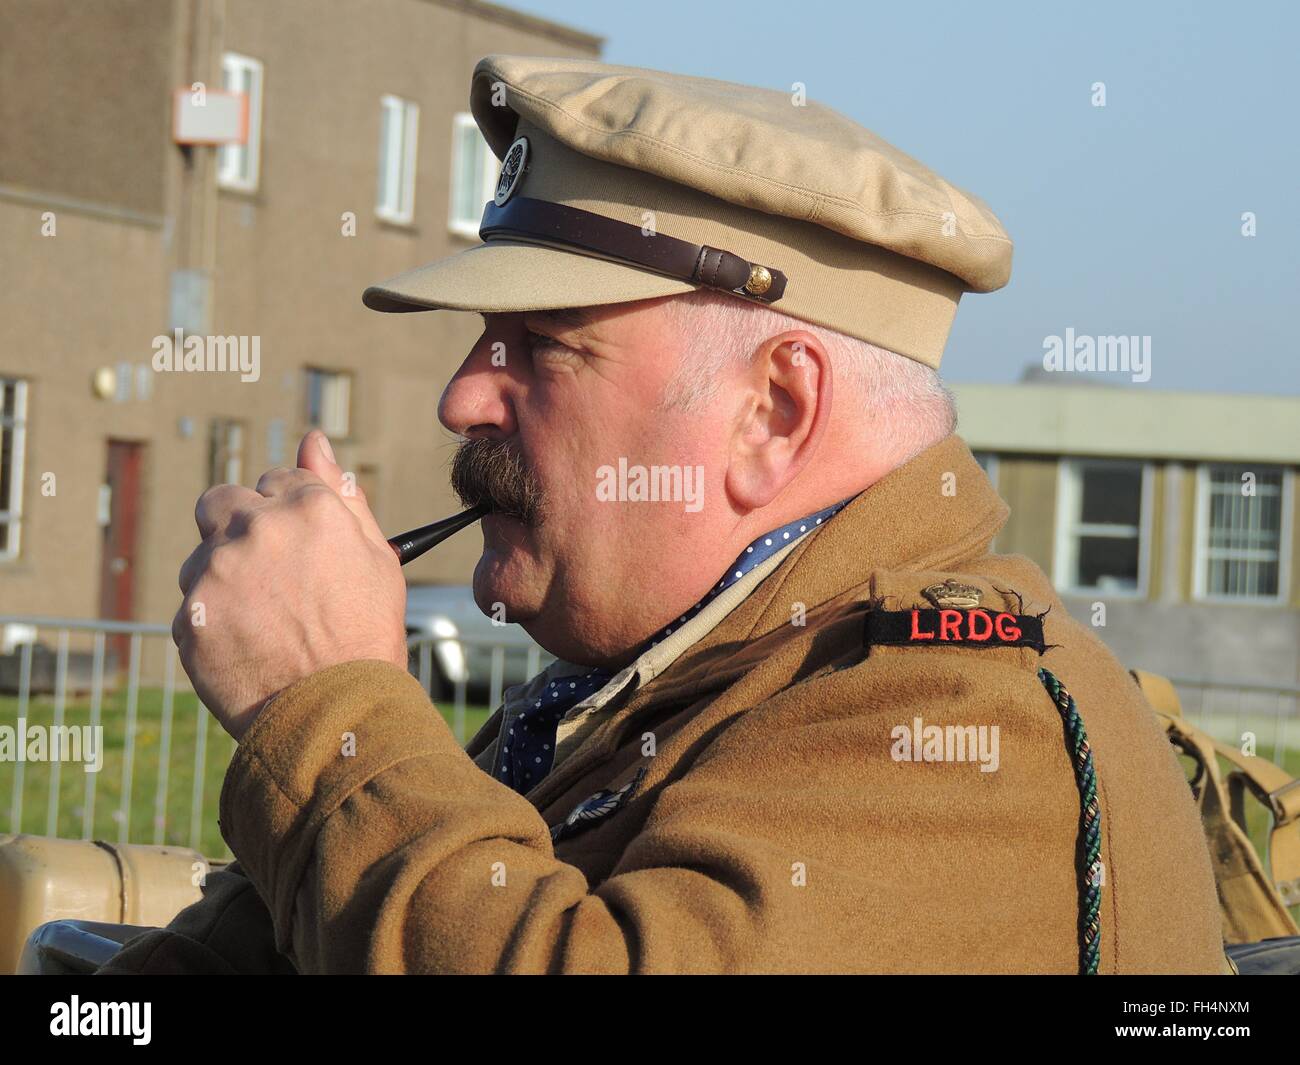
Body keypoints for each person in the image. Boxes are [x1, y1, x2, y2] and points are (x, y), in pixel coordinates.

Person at [100, 56, 1226, 974]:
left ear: (773, 412)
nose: (461, 396)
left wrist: (327, 702)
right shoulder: (663, 687)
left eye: (543, 346)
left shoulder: (962, 716)